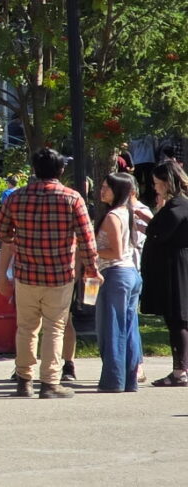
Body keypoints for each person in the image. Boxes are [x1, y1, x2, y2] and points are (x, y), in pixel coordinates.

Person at [0, 148, 95, 398]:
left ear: (34, 170)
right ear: (61, 170)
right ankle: (50, 382)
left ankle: (23, 380)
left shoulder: (16, 197)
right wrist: (92, 268)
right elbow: (87, 238)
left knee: (26, 328)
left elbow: (2, 232)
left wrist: (19, 238)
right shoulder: (72, 198)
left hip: (26, 273)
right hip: (60, 274)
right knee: (54, 328)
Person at [96, 172, 145, 393]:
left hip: (115, 274)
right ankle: (130, 379)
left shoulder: (113, 216)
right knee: (129, 326)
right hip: (130, 273)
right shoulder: (128, 212)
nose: (102, 190)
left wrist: (90, 250)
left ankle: (113, 380)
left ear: (119, 191)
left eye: (107, 187)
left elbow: (114, 251)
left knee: (113, 328)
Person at [141, 160, 188, 386]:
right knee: (177, 319)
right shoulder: (178, 205)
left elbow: (159, 233)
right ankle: (181, 368)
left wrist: (158, 213)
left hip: (175, 266)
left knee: (177, 319)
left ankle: (180, 370)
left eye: (157, 183)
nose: (154, 187)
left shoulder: (177, 206)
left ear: (167, 182)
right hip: (174, 264)